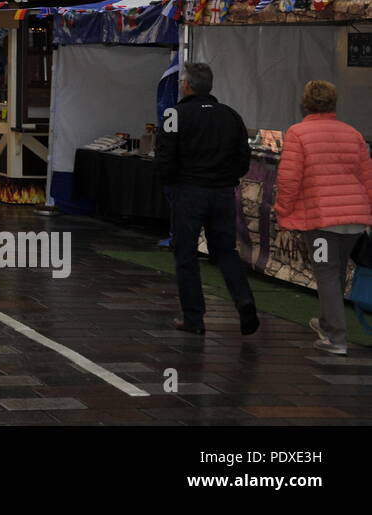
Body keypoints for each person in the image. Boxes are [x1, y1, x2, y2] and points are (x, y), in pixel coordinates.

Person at [154, 62, 259, 336]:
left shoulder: (175, 115)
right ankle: (244, 300)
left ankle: (194, 317)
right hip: (222, 192)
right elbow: (243, 158)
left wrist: (171, 181)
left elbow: (165, 156)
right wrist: (228, 178)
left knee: (186, 253)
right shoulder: (230, 116)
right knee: (225, 251)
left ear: (188, 85)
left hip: (189, 192)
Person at [275, 80, 372, 355]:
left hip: (321, 220)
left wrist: (283, 208)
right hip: (353, 219)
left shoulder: (298, 133)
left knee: (327, 272)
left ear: (306, 103)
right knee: (336, 271)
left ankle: (337, 338)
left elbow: (289, 178)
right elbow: (368, 177)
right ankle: (329, 324)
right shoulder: (353, 134)